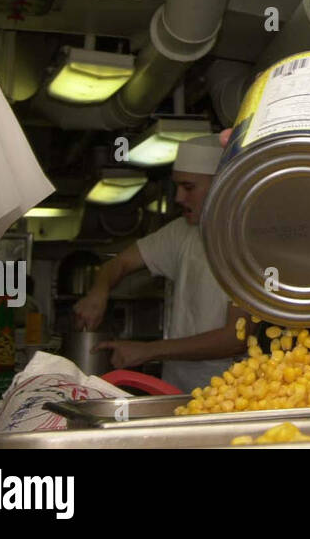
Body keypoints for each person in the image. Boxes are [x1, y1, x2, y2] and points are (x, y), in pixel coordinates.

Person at [73, 135, 248, 392]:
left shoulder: (247, 242)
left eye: (188, 187)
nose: (178, 197)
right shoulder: (182, 232)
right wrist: (99, 291)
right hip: (174, 392)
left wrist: (149, 351)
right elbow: (119, 264)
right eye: (177, 186)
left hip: (229, 395)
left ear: (220, 184)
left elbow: (236, 337)